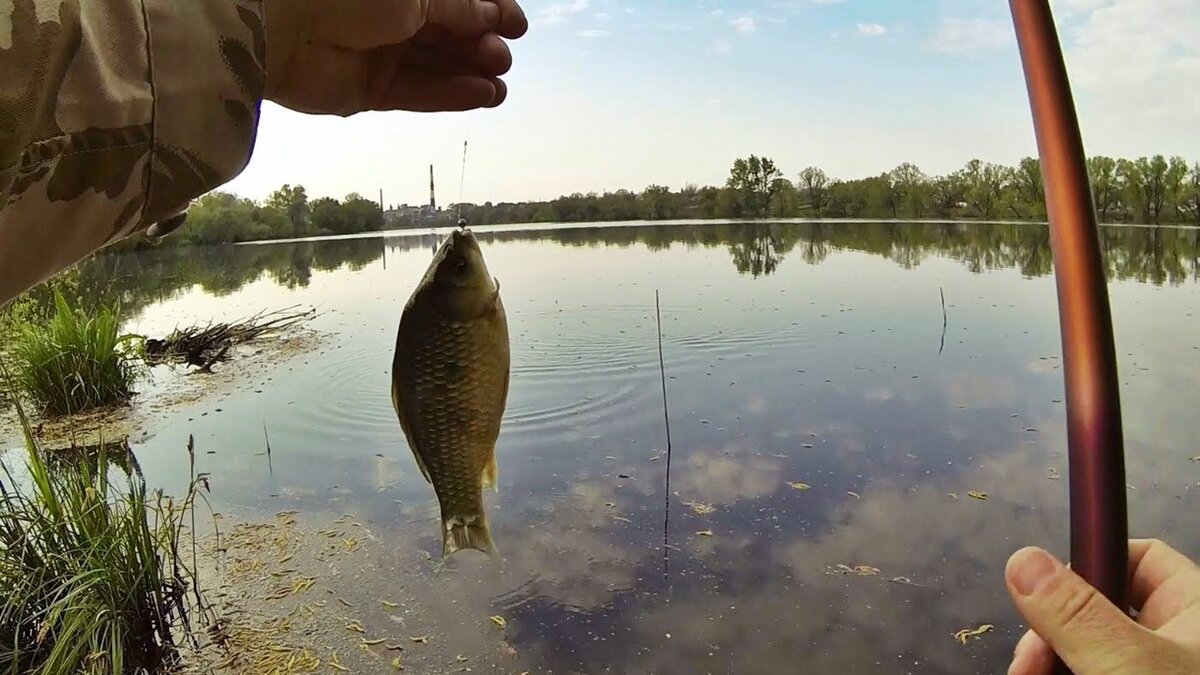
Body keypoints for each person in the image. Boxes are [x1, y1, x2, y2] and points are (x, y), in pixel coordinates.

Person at [2, 2, 1199, 673]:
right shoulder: (461, 316)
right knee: (456, 460)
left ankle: (459, 503)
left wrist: (245, 30)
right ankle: (460, 504)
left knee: (455, 456)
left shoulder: (455, 307)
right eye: (457, 263)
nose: (465, 260)